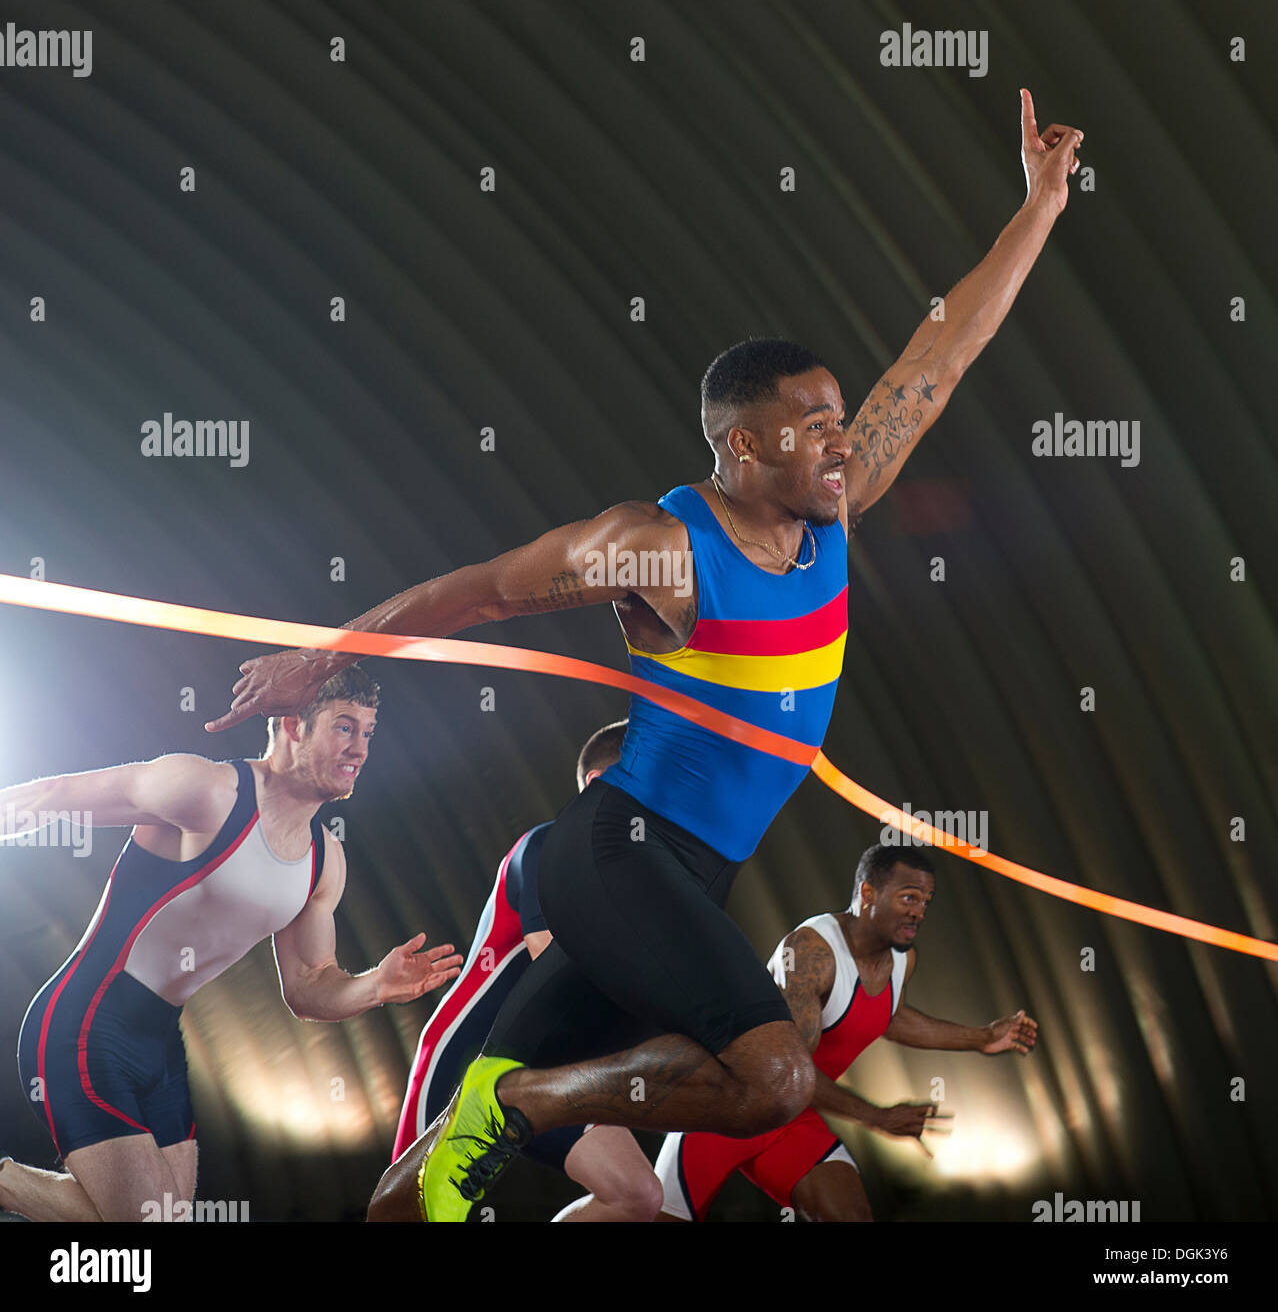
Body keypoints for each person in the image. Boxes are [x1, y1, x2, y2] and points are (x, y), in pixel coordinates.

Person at [204, 90, 1083, 1222]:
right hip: (617, 855)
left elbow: (943, 354)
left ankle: (492, 1111)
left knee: (419, 1190)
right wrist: (319, 662)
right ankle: (519, 1100)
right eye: (814, 423)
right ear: (742, 443)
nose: (842, 438)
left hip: (687, 873)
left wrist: (1040, 205)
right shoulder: (663, 551)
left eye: (836, 420)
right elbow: (480, 590)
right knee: (773, 1079)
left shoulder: (834, 509)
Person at [0, 668, 461, 1222]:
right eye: (344, 727)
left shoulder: (324, 859)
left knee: (158, 1222)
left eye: (368, 732)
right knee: (145, 1224)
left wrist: (374, 987)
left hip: (160, 1043)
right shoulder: (208, 791)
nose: (360, 748)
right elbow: (55, 797)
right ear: (293, 724)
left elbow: (310, 987)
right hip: (85, 1020)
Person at [370, 719, 662, 1222]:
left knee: (637, 1195)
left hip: (542, 1073)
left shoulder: (628, 879)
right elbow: (556, 973)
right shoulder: (548, 847)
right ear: (598, 786)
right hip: (466, 1061)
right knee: (408, 1212)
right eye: (648, 784)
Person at [654, 844, 1037, 1222]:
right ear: (868, 893)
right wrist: (876, 1117)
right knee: (638, 1210)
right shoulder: (811, 951)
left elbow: (890, 1018)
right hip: (726, 1111)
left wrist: (982, 1037)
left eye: (926, 901)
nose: (919, 912)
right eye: (909, 897)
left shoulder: (902, 959)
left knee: (851, 1216)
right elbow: (789, 1071)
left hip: (787, 1118)